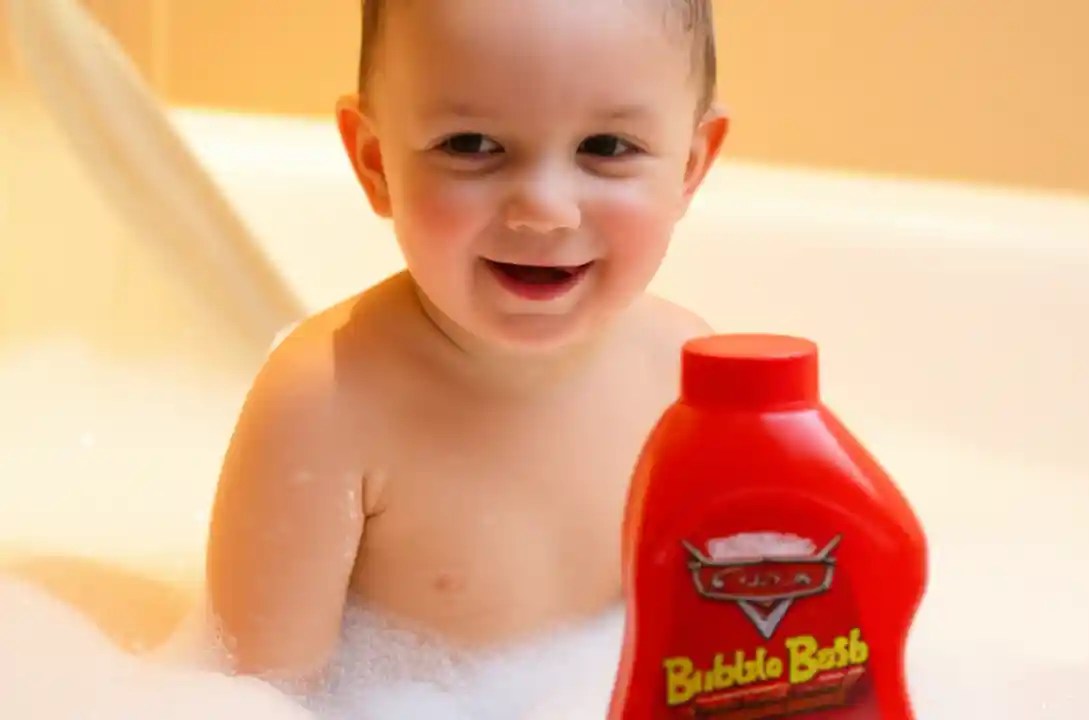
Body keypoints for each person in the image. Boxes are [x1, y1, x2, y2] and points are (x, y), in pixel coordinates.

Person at [203, 0, 728, 691]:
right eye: (472, 145)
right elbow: (257, 695)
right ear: (376, 164)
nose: (544, 209)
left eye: (606, 147)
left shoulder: (687, 375)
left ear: (689, 167)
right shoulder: (326, 402)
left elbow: (728, 634)